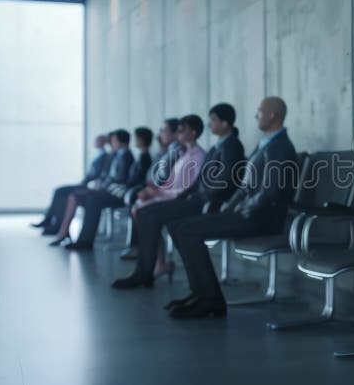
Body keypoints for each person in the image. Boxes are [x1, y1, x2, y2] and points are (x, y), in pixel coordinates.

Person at [165, 97, 296, 319]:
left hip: (262, 218)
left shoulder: (280, 146)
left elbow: (271, 190)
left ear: (272, 115)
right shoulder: (266, 143)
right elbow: (245, 187)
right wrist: (230, 209)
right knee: (177, 226)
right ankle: (200, 293)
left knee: (186, 230)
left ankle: (210, 299)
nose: (256, 115)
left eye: (260, 111)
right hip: (248, 212)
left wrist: (242, 210)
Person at [112, 104, 245, 289]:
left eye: (213, 120)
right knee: (145, 213)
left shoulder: (231, 146)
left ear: (225, 123)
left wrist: (199, 197)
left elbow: (225, 179)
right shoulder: (218, 146)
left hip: (207, 202)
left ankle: (145, 273)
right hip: (196, 198)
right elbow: (199, 181)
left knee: (150, 215)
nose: (209, 124)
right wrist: (186, 195)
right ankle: (146, 271)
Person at [48, 129, 134, 248]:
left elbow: (119, 179)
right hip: (108, 189)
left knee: (90, 199)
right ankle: (66, 232)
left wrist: (102, 185)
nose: (111, 143)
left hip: (115, 193)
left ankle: (81, 239)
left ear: (121, 142)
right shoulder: (119, 155)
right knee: (75, 196)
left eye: (113, 141)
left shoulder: (125, 156)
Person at [119, 118, 183, 259]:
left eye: (164, 130)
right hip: (156, 189)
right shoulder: (167, 151)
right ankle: (141, 248)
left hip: (162, 192)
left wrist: (154, 190)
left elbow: (167, 178)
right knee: (137, 203)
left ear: (175, 133)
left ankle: (141, 248)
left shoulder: (177, 152)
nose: (160, 134)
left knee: (140, 205)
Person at [32, 134, 110, 235]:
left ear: (103, 142)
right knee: (59, 192)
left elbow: (96, 174)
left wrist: (84, 182)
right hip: (88, 183)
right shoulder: (100, 154)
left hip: (90, 185)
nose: (95, 143)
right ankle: (51, 220)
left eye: (98, 140)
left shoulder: (105, 155)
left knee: (62, 193)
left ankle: (55, 224)